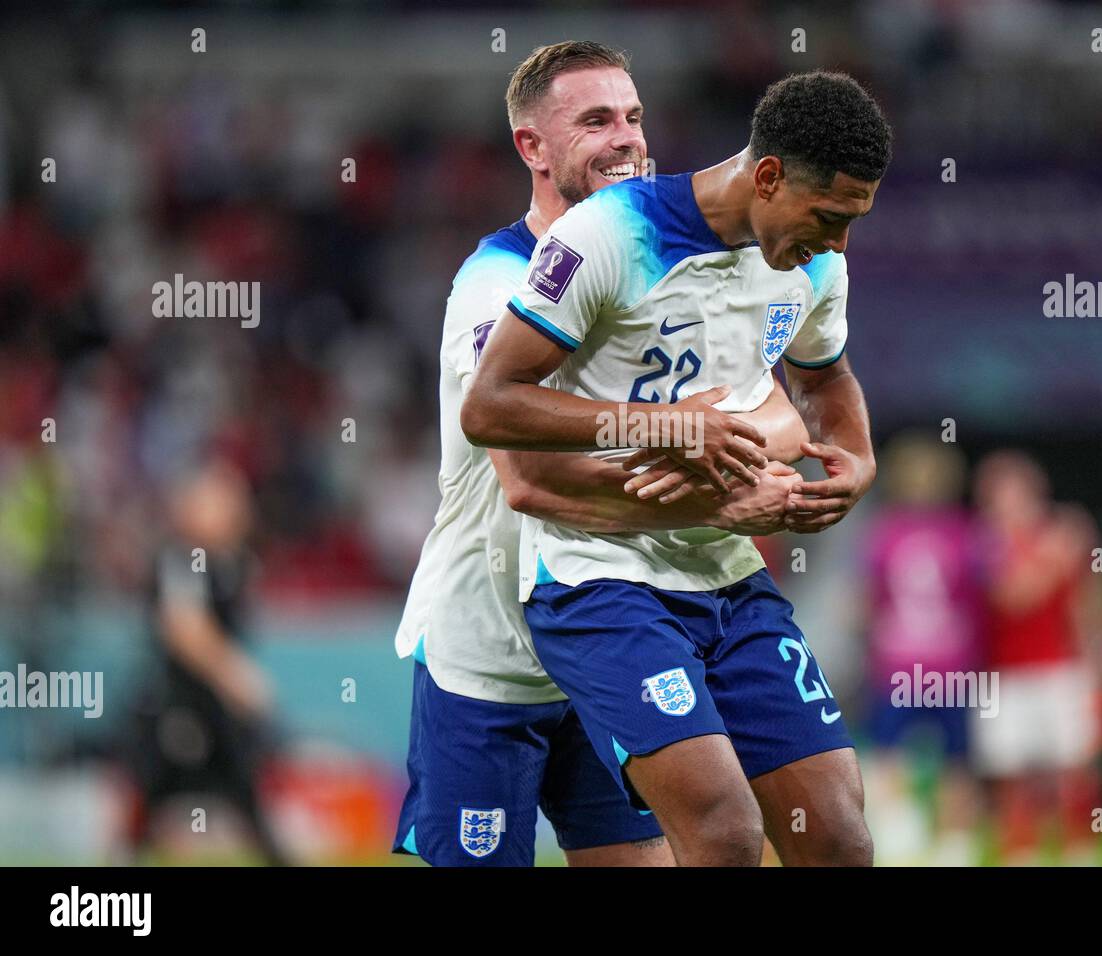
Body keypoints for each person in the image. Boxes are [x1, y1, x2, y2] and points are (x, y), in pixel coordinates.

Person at [392, 42, 810, 867]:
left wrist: (755, 447)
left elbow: (771, 405)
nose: (626, 139)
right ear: (532, 148)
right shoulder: (497, 286)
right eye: (594, 121)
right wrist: (708, 478)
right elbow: (522, 479)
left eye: (633, 117)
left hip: (613, 627)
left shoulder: (661, 268)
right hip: (495, 657)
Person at [462, 71, 892, 866]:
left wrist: (857, 459)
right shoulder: (607, 235)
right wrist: (665, 424)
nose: (838, 243)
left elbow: (825, 375)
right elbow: (490, 404)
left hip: (726, 577)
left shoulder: (815, 266)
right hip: (600, 579)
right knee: (725, 831)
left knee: (837, 837)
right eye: (829, 217)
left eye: (852, 222)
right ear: (767, 177)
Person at [127, 459, 287, 864]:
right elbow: (185, 628)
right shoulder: (182, 558)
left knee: (244, 792)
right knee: (156, 788)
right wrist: (236, 676)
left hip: (215, 709)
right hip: (179, 702)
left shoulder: (231, 564)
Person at [971, 451, 1102, 865]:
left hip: (1062, 670)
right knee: (1011, 773)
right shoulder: (984, 544)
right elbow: (1012, 594)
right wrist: (1053, 556)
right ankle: (1022, 854)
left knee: (1075, 767)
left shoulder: (1062, 534)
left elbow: (1089, 603)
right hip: (1003, 676)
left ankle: (1081, 852)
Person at [858, 433, 985, 866]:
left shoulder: (884, 534)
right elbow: (983, 597)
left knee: (893, 752)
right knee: (955, 758)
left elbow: (864, 603)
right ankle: (952, 846)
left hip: (898, 661)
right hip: (949, 661)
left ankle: (902, 831)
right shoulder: (964, 533)